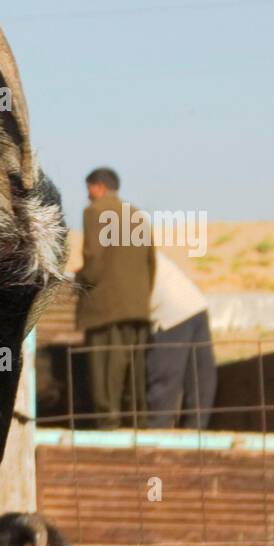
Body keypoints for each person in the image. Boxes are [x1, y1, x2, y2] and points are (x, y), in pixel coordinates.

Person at [75, 167, 155, 429]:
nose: (88, 195)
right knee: (134, 367)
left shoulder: (95, 212)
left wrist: (81, 282)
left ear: (98, 187)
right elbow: (150, 263)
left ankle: (108, 423)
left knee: (105, 368)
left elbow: (94, 261)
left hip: (105, 306)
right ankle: (138, 419)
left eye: (89, 188)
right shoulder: (138, 216)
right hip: (137, 306)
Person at [146, 252, 216, 429]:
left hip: (170, 313)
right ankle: (195, 434)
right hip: (195, 304)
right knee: (200, 381)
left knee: (165, 382)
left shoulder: (123, 250)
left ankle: (158, 436)